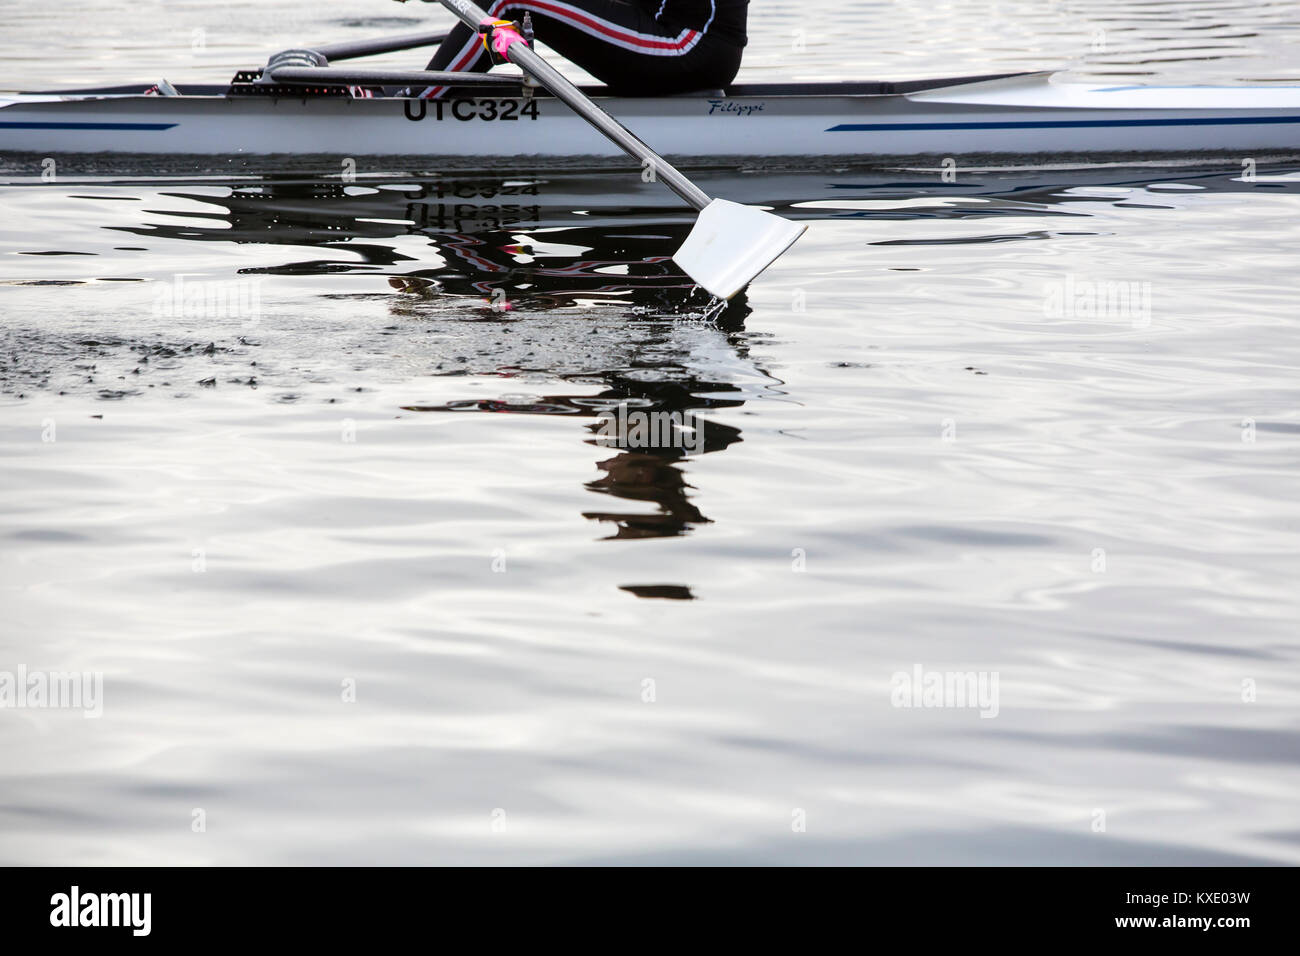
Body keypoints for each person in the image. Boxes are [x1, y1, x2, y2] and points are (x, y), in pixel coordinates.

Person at [398, 1, 748, 98]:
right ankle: (415, 92)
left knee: (508, 1)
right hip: (667, 31)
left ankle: (411, 106)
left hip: (688, 46)